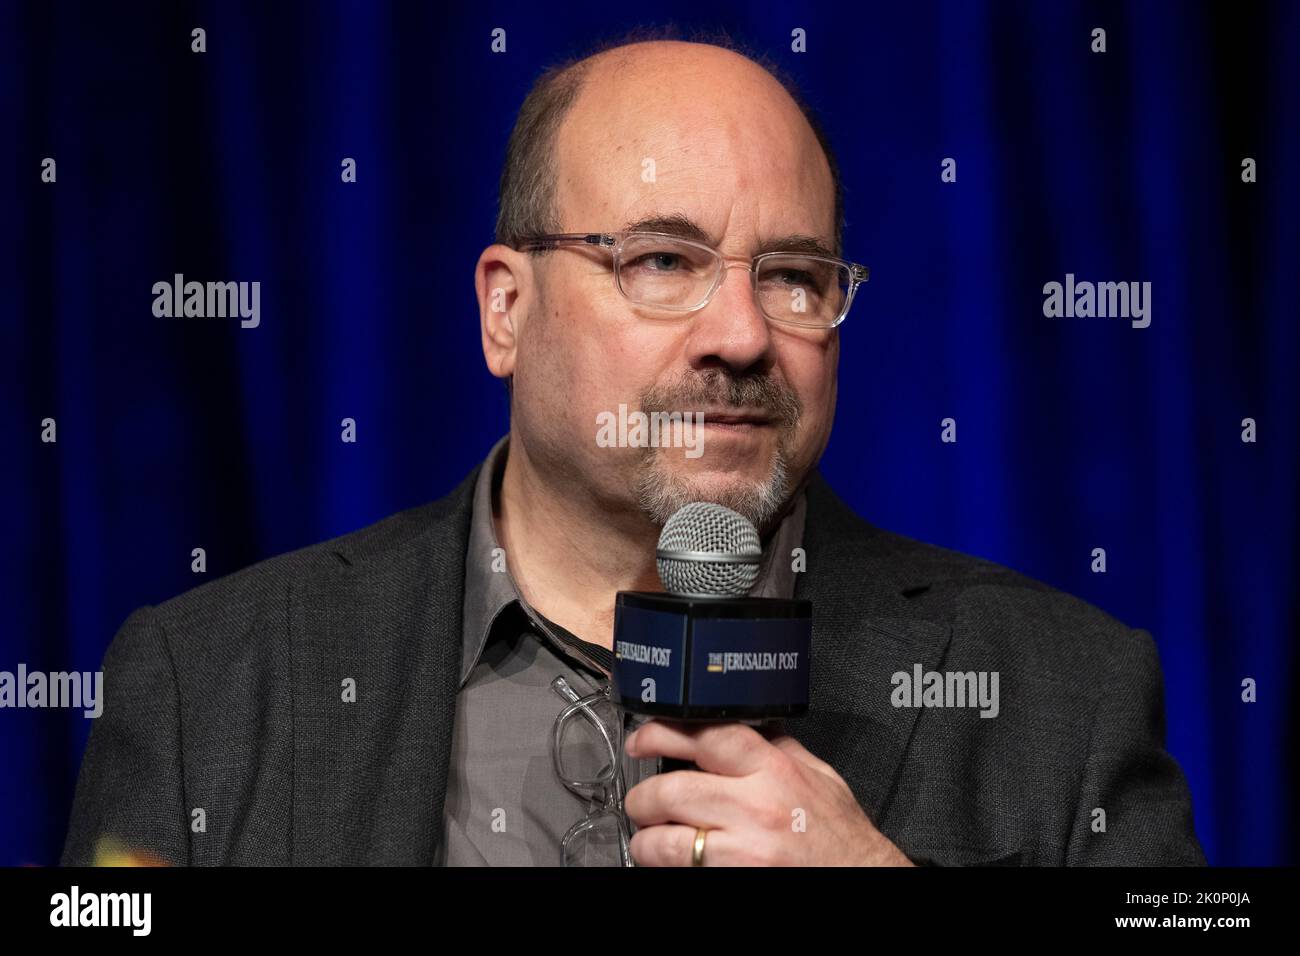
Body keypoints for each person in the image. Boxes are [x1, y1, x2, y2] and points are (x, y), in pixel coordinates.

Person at [62, 37, 1204, 867]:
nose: (744, 334)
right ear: (505, 310)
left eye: (795, 277)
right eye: (661, 261)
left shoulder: (1064, 691)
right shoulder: (208, 684)